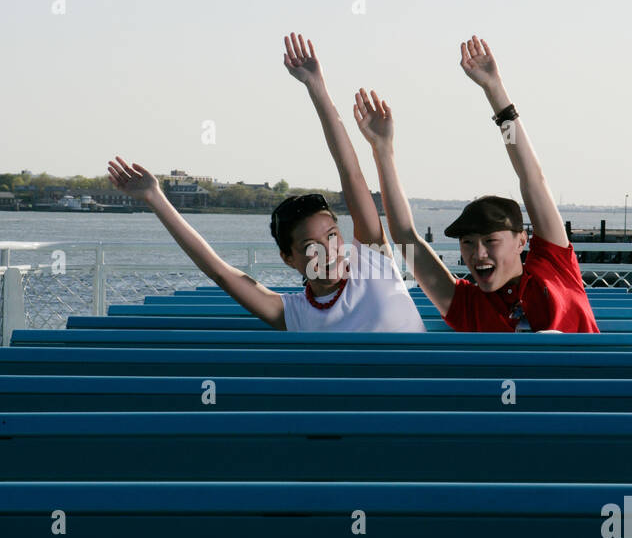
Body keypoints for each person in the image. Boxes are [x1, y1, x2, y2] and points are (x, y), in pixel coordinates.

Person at [107, 32, 425, 333]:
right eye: (310, 247)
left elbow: (351, 174)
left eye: (331, 237)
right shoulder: (293, 313)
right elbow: (220, 272)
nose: (328, 252)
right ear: (289, 259)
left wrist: (316, 86)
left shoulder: (373, 262)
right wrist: (155, 198)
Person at [353, 35, 599, 334]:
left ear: (522, 240)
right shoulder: (466, 305)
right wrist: (383, 151)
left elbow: (532, 179)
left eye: (490, 241)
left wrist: (494, 89)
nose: (478, 254)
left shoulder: (553, 266)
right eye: (468, 243)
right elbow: (405, 237)